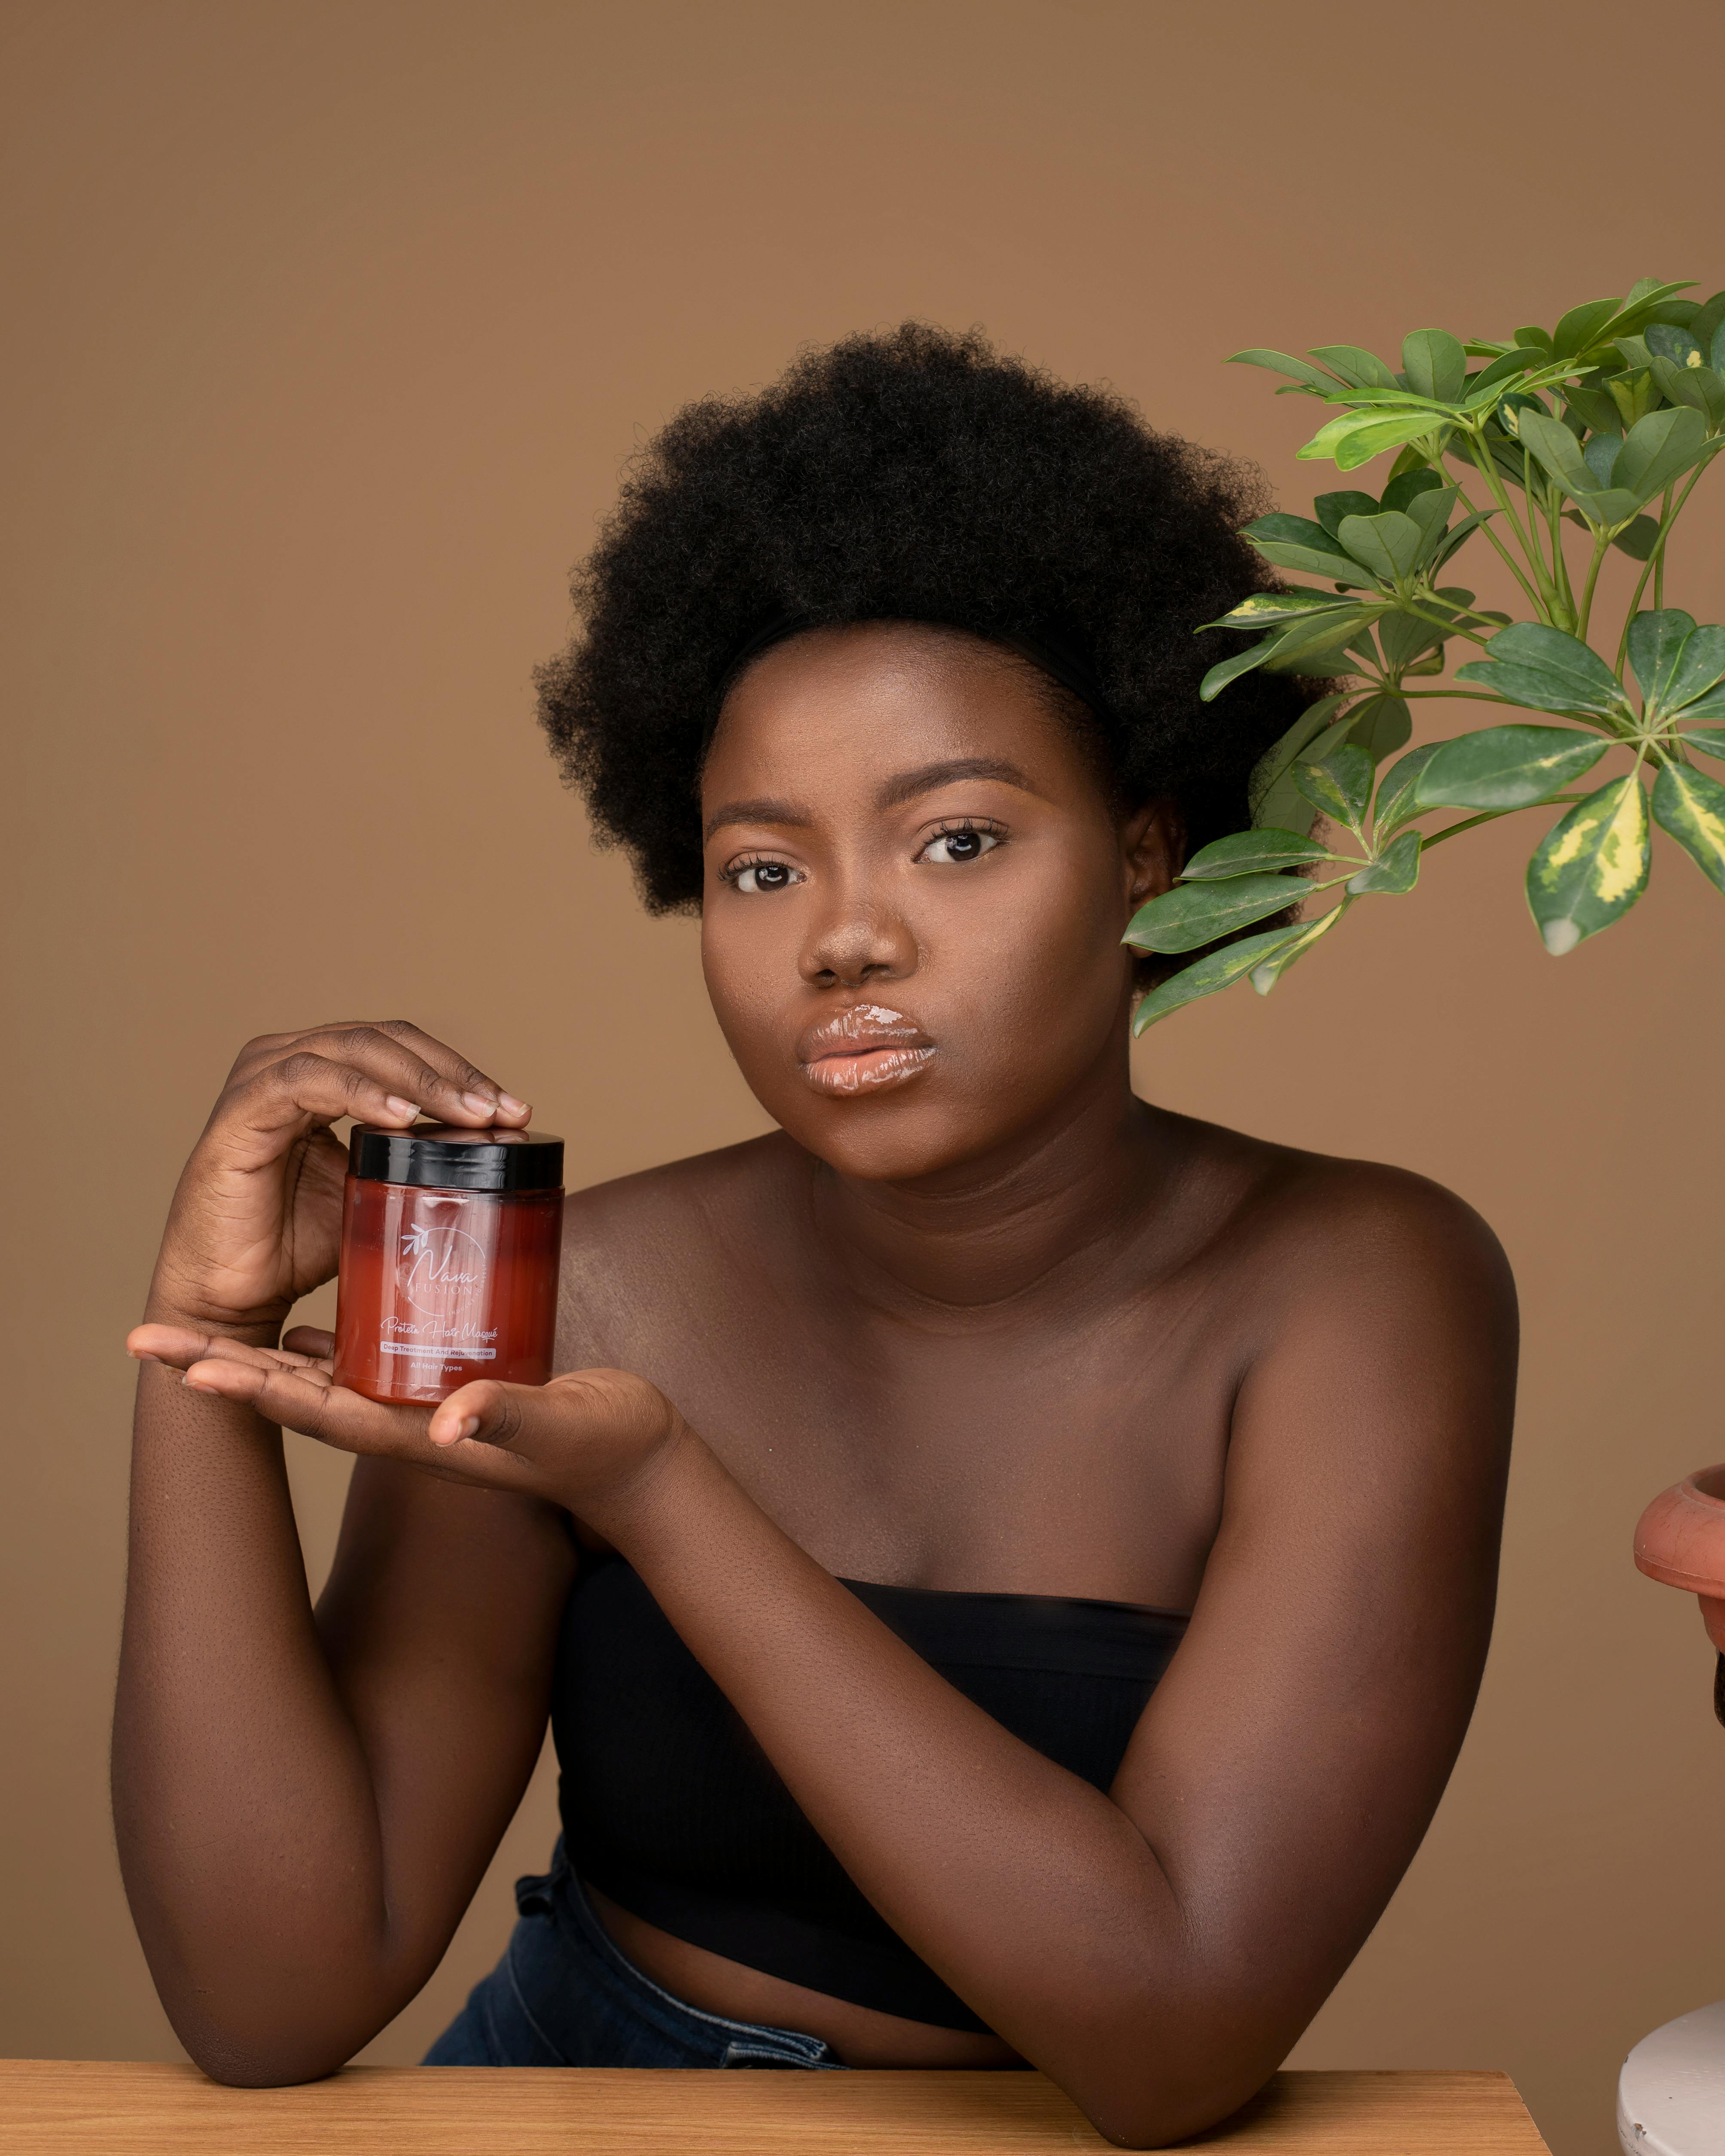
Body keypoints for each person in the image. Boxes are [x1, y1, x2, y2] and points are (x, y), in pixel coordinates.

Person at [115, 325, 1517, 2148]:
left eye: (953, 841)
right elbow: (270, 1997)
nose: (842, 940)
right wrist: (195, 1351)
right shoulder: (583, 1287)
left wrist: (660, 1495)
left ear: (1149, 850)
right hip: (579, 2098)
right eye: (760, 870)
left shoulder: (1357, 1286)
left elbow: (1170, 2042)